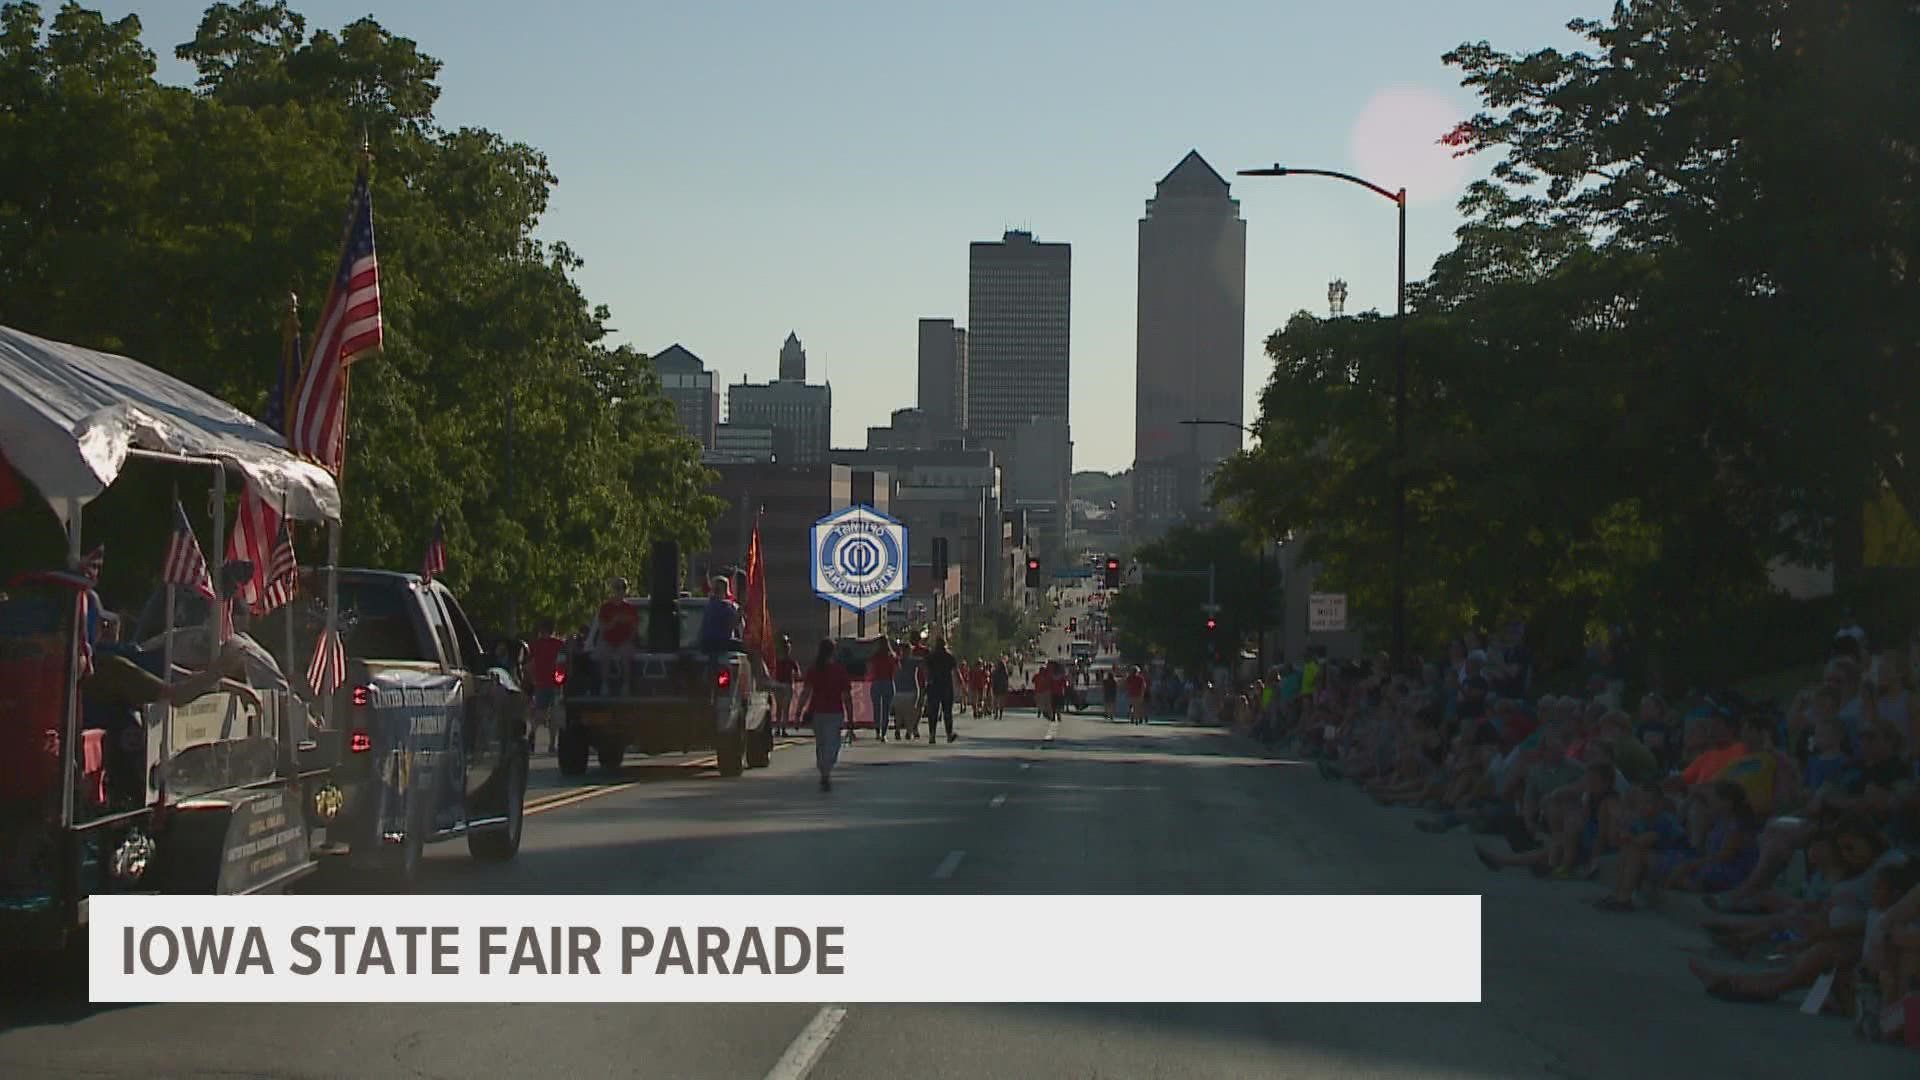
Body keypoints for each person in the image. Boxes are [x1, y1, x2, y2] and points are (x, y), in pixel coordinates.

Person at [795, 639, 853, 791]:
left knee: (821, 744)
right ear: (833, 652)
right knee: (832, 745)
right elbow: (846, 696)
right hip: (834, 712)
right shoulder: (839, 671)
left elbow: (805, 693)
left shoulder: (814, 670)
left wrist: (798, 712)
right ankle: (825, 770)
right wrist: (851, 718)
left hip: (817, 712)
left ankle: (823, 771)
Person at [587, 577, 639, 694]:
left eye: (623, 588)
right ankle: (604, 685)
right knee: (604, 655)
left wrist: (629, 640)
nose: (620, 591)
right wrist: (614, 621)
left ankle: (626, 685)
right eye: (617, 588)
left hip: (624, 641)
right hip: (608, 640)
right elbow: (602, 628)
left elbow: (634, 628)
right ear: (613, 590)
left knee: (626, 656)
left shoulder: (630, 608)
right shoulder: (605, 608)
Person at [527, 618, 567, 754]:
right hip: (554, 683)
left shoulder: (535, 645)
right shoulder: (559, 644)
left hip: (540, 682)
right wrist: (560, 680)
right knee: (554, 715)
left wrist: (533, 679)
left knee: (539, 712)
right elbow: (561, 664)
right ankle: (551, 743)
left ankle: (532, 732)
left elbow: (530, 665)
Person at [924, 637, 957, 743]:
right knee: (947, 711)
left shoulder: (931, 656)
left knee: (933, 711)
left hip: (933, 685)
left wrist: (926, 681)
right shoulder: (949, 656)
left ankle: (932, 735)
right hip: (946, 685)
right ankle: (949, 734)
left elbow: (926, 670)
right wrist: (961, 684)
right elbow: (955, 671)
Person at [697, 575, 741, 652]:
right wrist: (740, 613)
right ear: (725, 590)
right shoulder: (727, 606)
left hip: (705, 644)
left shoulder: (708, 606)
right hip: (722, 644)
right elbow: (733, 624)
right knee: (749, 648)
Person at [769, 635, 799, 737]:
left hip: (780, 684)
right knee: (783, 708)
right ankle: (781, 728)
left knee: (780, 707)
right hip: (785, 685)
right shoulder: (789, 661)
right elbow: (798, 673)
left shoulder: (780, 660)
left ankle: (779, 728)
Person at [869, 637, 898, 742]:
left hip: (877, 682)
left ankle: (877, 731)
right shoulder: (892, 656)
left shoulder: (875, 656)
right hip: (888, 682)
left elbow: (870, 669)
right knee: (886, 710)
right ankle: (883, 734)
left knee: (877, 708)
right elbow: (897, 668)